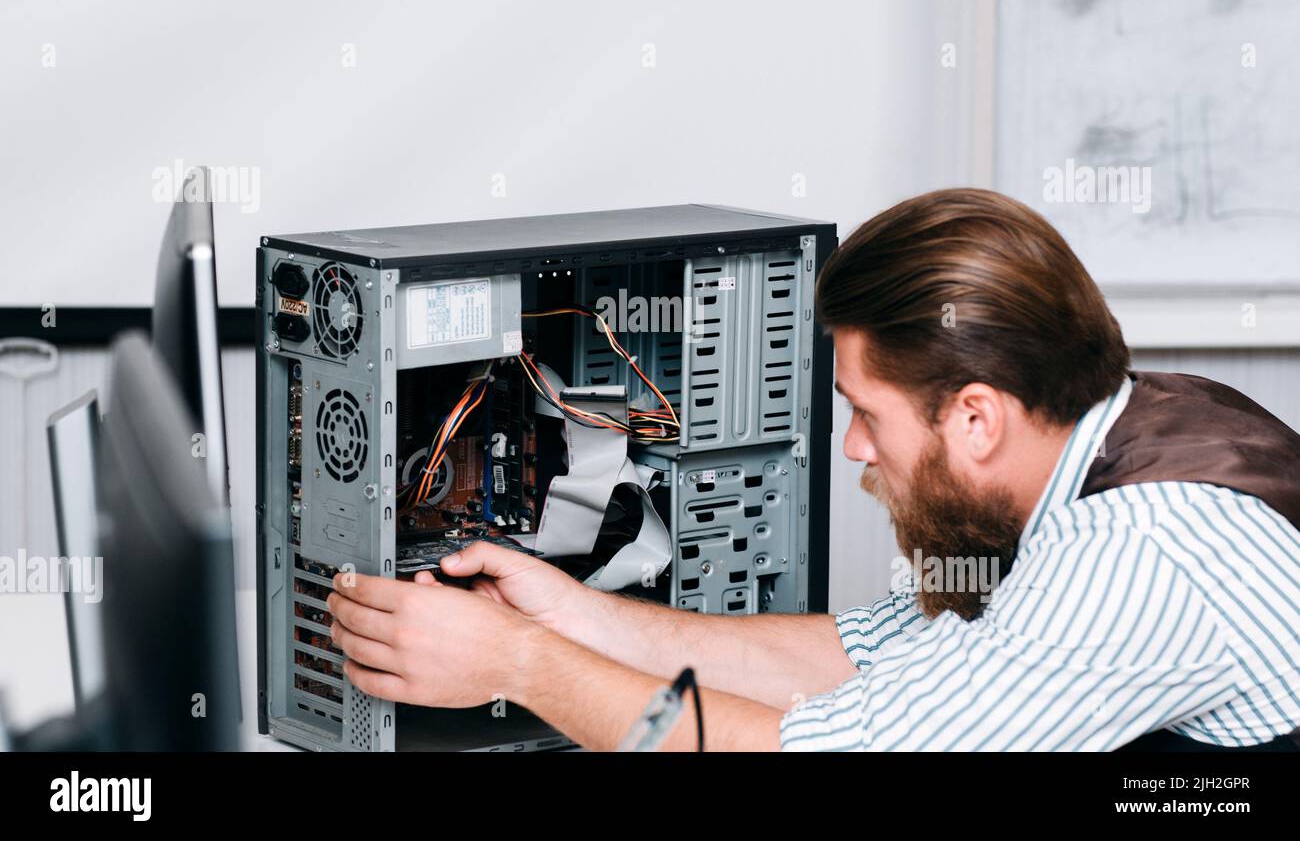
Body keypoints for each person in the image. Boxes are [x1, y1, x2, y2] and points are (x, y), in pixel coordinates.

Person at [328, 188, 1300, 751]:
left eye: (868, 415)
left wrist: (518, 665)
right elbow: (856, 660)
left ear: (974, 416)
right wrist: (570, 614)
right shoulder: (1120, 424)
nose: (852, 449)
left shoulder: (1129, 562)